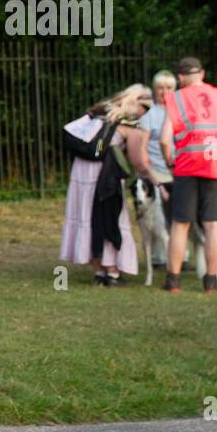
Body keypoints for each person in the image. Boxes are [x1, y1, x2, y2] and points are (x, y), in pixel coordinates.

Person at [159, 57, 217, 294]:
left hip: (187, 167)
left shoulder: (176, 99)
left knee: (180, 225)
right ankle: (210, 282)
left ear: (180, 78)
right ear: (203, 74)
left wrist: (170, 161)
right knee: (213, 225)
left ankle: (173, 281)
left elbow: (164, 139)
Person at [60, 85, 150, 285]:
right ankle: (113, 271)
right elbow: (138, 160)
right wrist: (154, 176)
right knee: (111, 216)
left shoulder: (100, 109)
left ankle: (98, 271)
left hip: (82, 172)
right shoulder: (130, 122)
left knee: (87, 216)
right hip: (105, 175)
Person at [129, 70, 177, 265]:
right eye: (160, 88)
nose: (164, 92)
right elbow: (142, 147)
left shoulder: (180, 111)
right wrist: (148, 171)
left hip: (178, 171)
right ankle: (158, 257)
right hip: (156, 171)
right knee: (156, 216)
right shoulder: (149, 116)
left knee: (177, 217)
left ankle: (180, 256)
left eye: (168, 88)